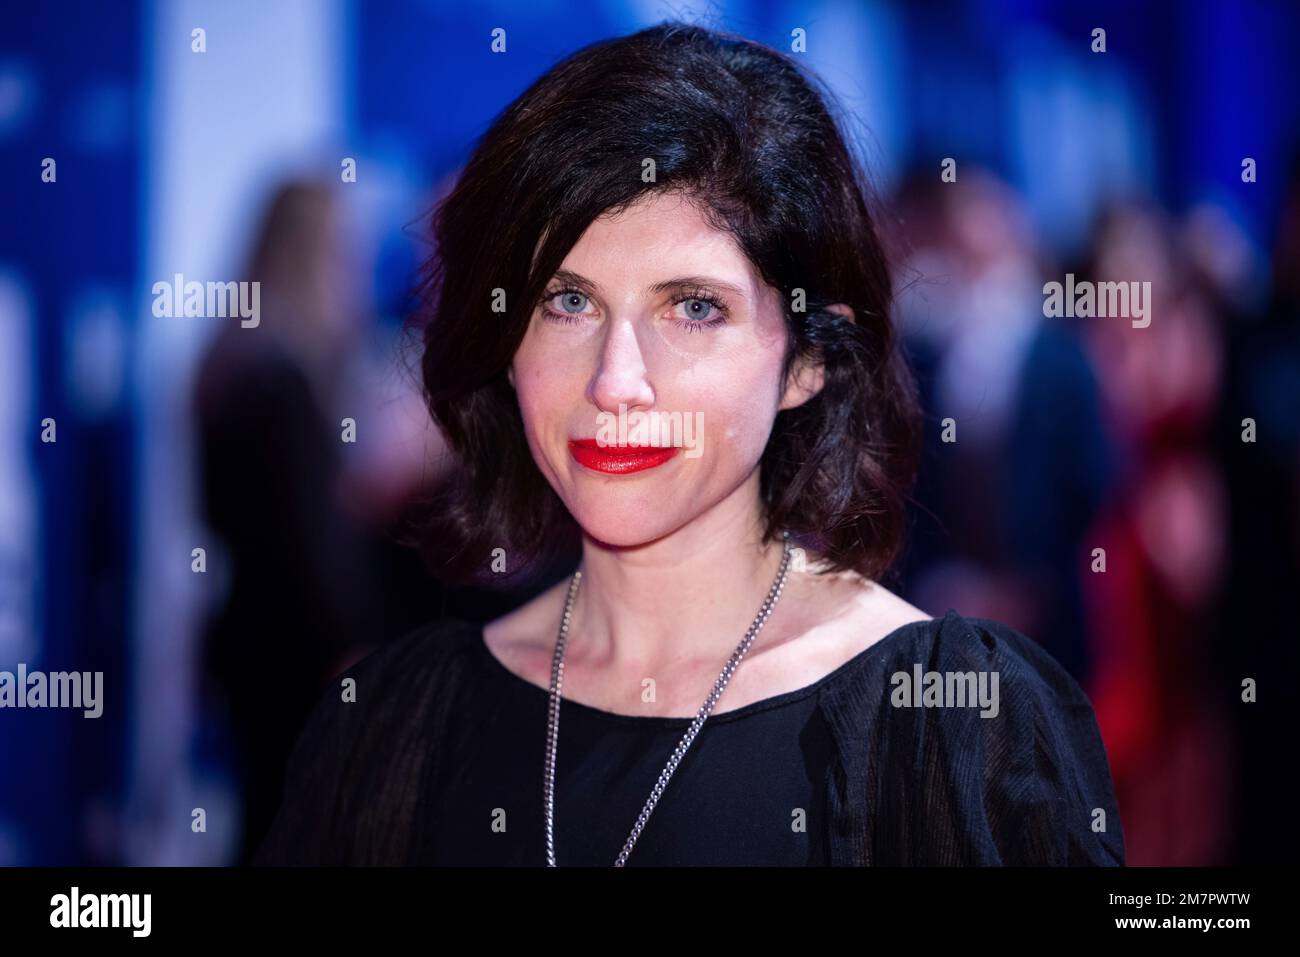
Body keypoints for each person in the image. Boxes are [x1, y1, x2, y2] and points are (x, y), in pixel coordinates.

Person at [253, 22, 1124, 866]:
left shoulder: (949, 729)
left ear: (807, 359)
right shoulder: (395, 727)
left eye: (693, 308)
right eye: (567, 302)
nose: (615, 381)